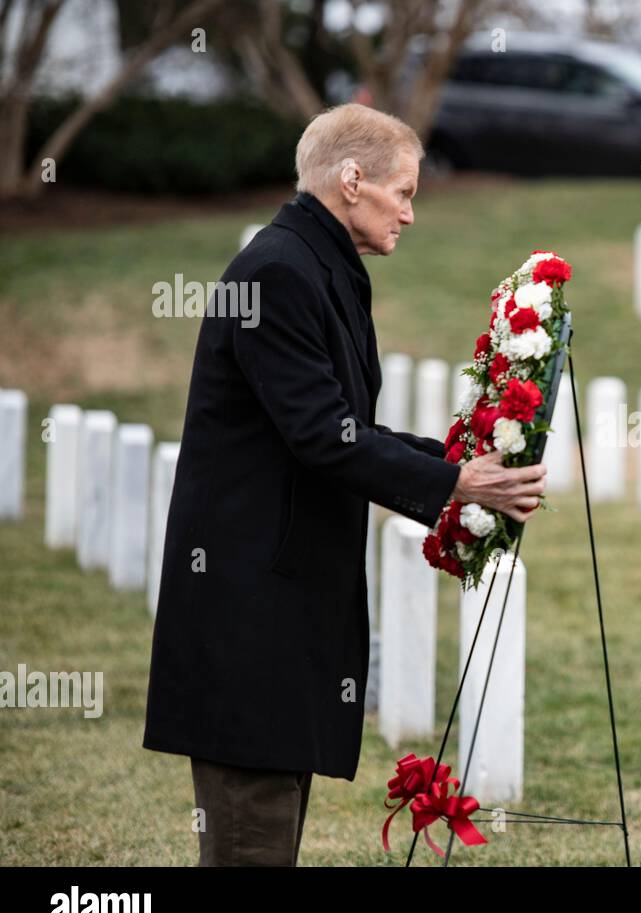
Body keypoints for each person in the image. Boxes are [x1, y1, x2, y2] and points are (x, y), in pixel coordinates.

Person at [142, 103, 546, 866]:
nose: (412, 213)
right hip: (249, 617)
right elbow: (325, 437)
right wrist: (457, 482)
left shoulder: (316, 264)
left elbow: (344, 423)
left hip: (280, 612)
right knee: (249, 848)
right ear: (351, 179)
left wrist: (459, 461)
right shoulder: (278, 271)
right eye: (404, 192)